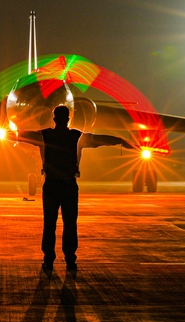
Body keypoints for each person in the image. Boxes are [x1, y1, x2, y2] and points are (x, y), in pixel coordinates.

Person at [17, 106, 135, 272]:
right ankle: (70, 260)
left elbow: (19, 135)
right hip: (69, 185)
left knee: (49, 224)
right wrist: (120, 140)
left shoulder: (44, 135)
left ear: (54, 118)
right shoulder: (77, 136)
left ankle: (48, 260)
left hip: (51, 185)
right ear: (68, 119)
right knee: (70, 224)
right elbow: (100, 140)